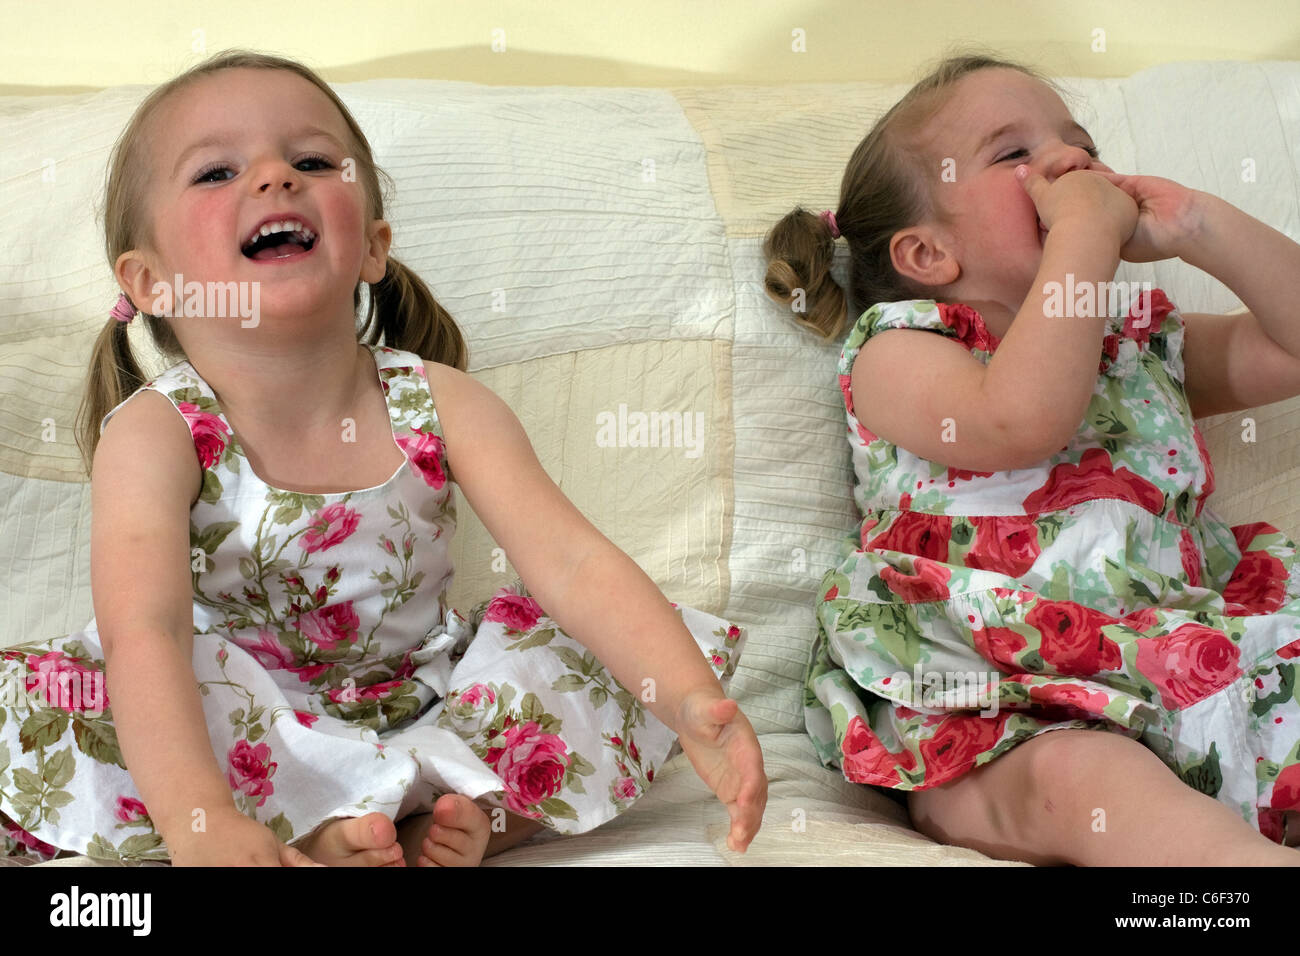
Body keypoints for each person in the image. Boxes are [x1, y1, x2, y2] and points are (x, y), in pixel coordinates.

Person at [0, 49, 765, 867]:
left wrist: (689, 702)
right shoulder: (156, 433)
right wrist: (201, 823)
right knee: (75, 694)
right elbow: (142, 631)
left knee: (607, 649)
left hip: (419, 707)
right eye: (217, 171)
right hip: (230, 726)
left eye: (313, 161)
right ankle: (286, 830)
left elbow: (572, 563)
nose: (274, 178)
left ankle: (464, 818)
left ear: (372, 246)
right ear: (151, 282)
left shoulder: (442, 403)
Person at [763, 51, 1300, 866]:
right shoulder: (902, 351)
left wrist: (1198, 225)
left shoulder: (1138, 347)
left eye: (1079, 145)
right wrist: (1085, 229)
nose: (1069, 164)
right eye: (1014, 154)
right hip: (997, 708)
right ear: (927, 256)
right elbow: (1021, 422)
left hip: (1184, 665)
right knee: (1088, 782)